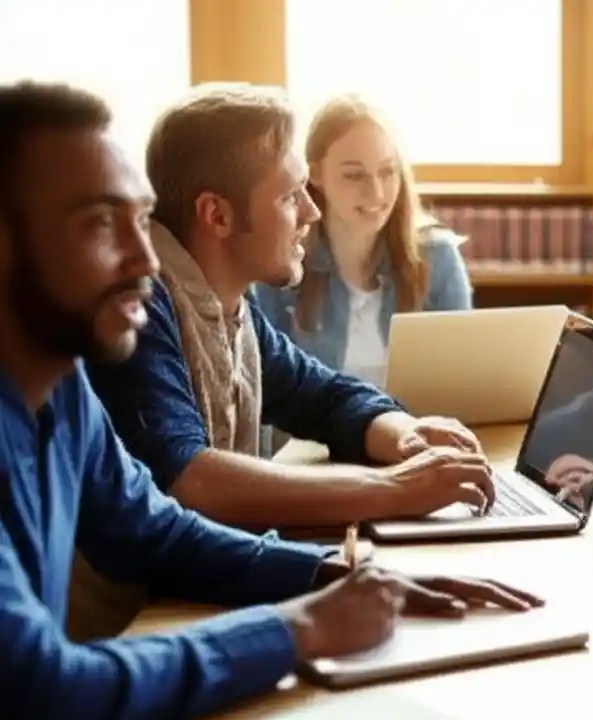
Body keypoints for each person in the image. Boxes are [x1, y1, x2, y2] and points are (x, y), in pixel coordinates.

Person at [0, 80, 540, 720]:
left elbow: (154, 532)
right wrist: (296, 631)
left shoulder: (62, 389)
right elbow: (43, 687)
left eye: (137, 220)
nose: (145, 259)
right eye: (97, 224)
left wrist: (330, 578)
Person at [77, 83, 493, 639]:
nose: (312, 211)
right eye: (290, 195)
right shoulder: (140, 304)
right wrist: (397, 489)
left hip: (188, 600)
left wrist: (407, 436)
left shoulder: (230, 302)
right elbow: (187, 478)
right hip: (116, 637)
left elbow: (321, 395)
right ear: (216, 216)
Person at [253, 95, 473, 389]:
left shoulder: (438, 258)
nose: (376, 193)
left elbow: (463, 380)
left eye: (387, 172)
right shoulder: (281, 263)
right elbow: (263, 389)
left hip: (416, 430)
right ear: (315, 174)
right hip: (313, 434)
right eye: (355, 175)